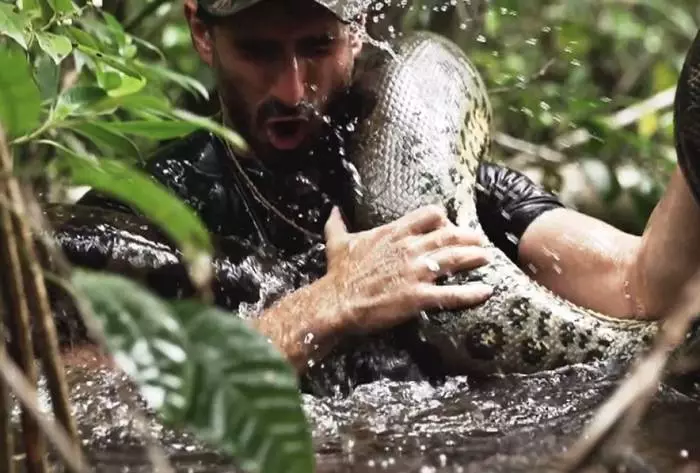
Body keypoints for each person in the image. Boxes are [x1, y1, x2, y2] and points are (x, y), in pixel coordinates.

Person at [75, 0, 700, 386]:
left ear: (360, 24)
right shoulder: (152, 205)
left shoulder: (441, 183)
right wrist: (326, 306)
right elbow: (69, 395)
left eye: (317, 46)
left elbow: (645, 287)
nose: (292, 89)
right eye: (258, 51)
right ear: (202, 33)